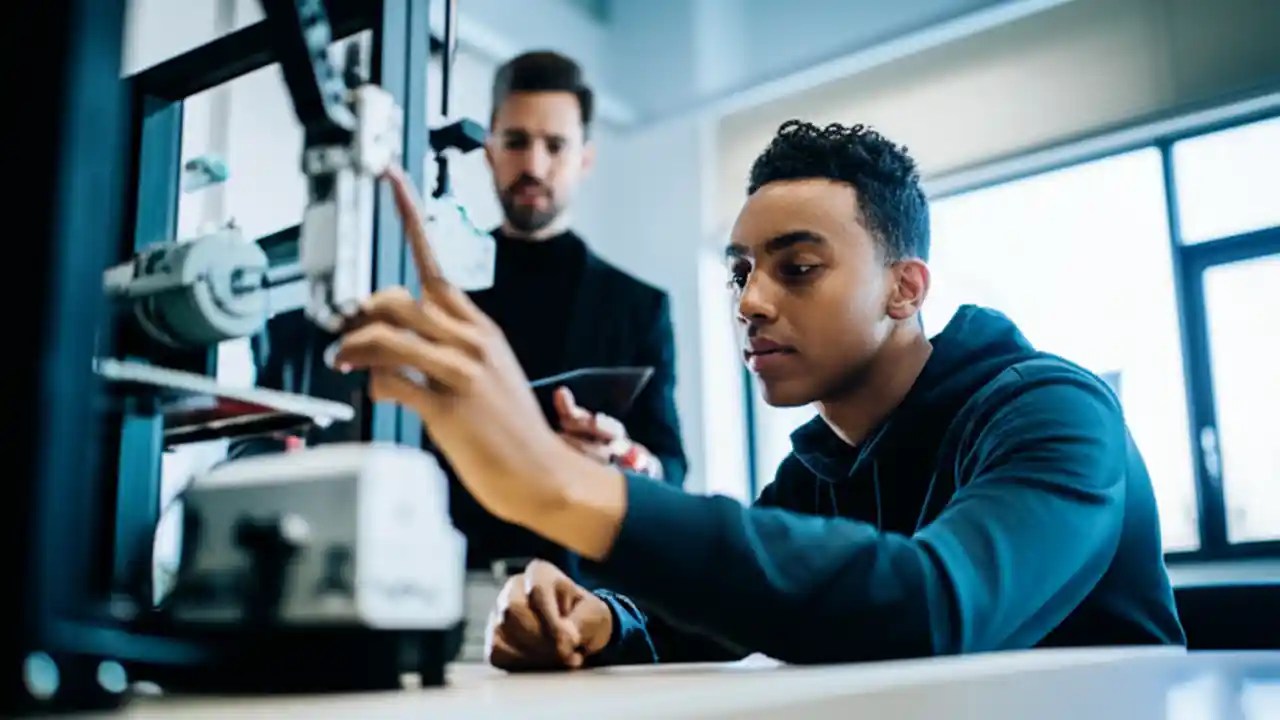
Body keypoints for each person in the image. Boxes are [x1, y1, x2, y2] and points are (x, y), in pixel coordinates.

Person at [333, 120, 1186, 670]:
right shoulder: (823, 462)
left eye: (798, 267)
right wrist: (602, 622)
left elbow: (933, 608)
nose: (748, 302)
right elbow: (727, 615)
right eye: (740, 272)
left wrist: (569, 490)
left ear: (905, 288)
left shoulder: (1054, 412)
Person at [244, 50, 687, 575]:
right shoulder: (434, 286)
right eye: (517, 141)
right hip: (436, 568)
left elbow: (671, 469)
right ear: (489, 149)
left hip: (579, 590)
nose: (534, 165)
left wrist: (625, 458)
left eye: (555, 146)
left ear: (585, 158)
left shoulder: (638, 307)